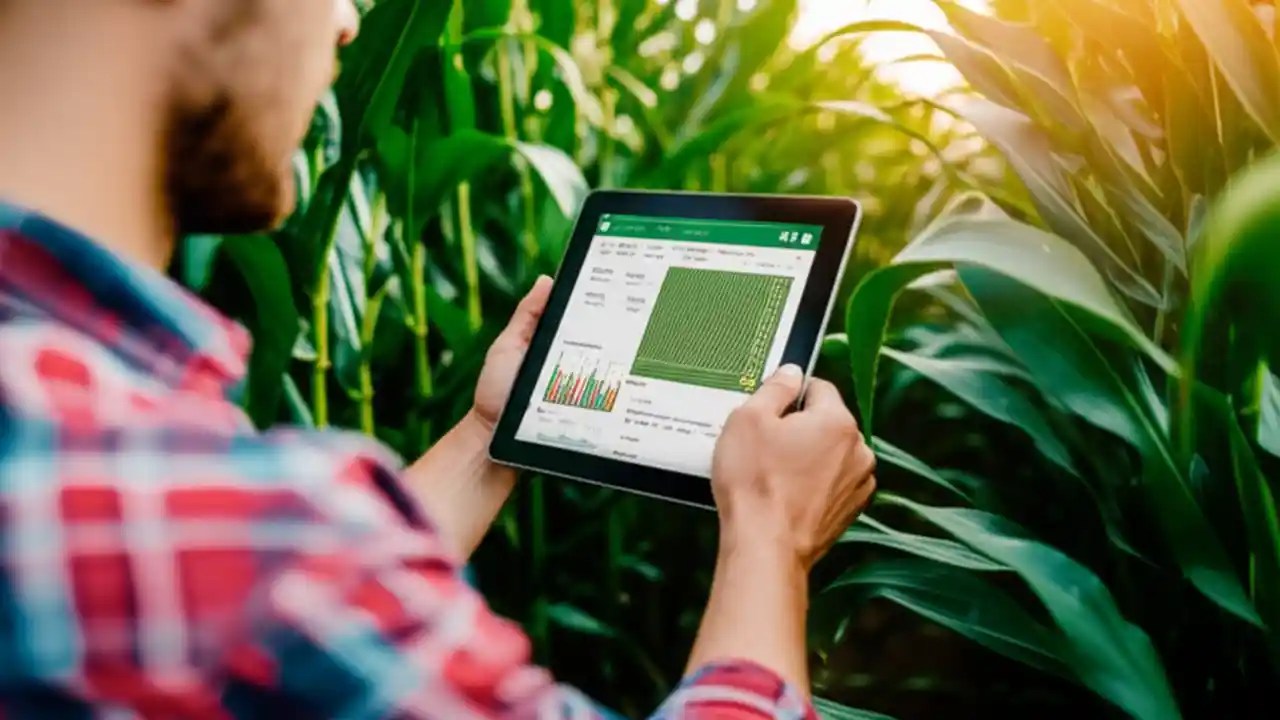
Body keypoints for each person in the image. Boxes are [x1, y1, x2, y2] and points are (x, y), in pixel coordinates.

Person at [0, 1, 877, 718]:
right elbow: (273, 565)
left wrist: (491, 434)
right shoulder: (230, 525)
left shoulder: (79, 438)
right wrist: (768, 536)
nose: (348, 23)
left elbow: (282, 606)